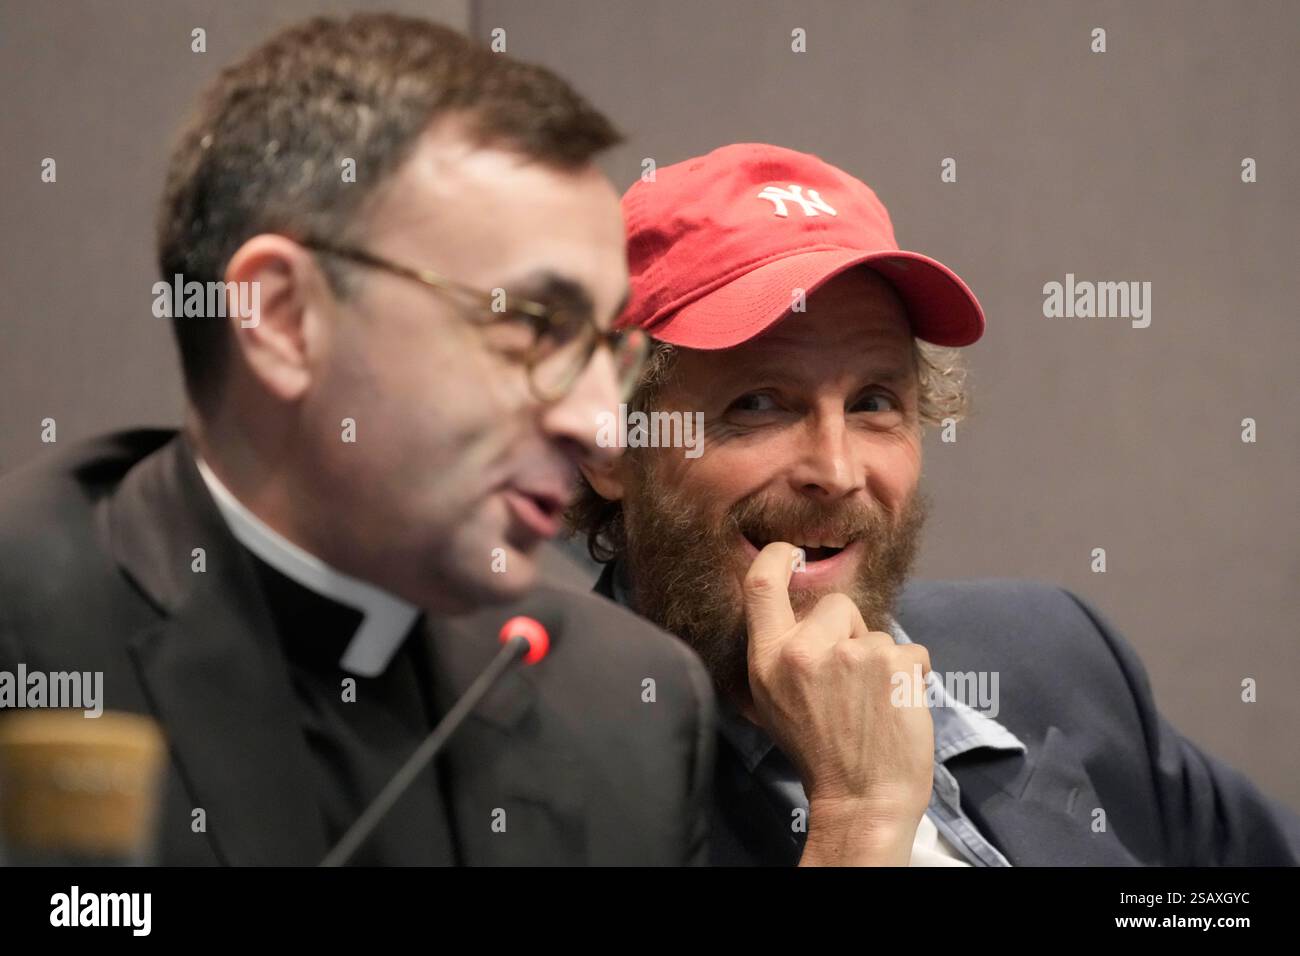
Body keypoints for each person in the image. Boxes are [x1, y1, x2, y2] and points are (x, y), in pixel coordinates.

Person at [0, 14, 714, 865]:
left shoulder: (633, 706)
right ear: (284, 317)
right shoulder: (28, 632)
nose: (600, 421)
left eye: (606, 349)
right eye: (534, 327)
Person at [569, 142, 1300, 865]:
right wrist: (857, 824)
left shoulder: (1056, 652)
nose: (836, 468)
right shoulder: (539, 781)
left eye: (874, 402)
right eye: (757, 403)